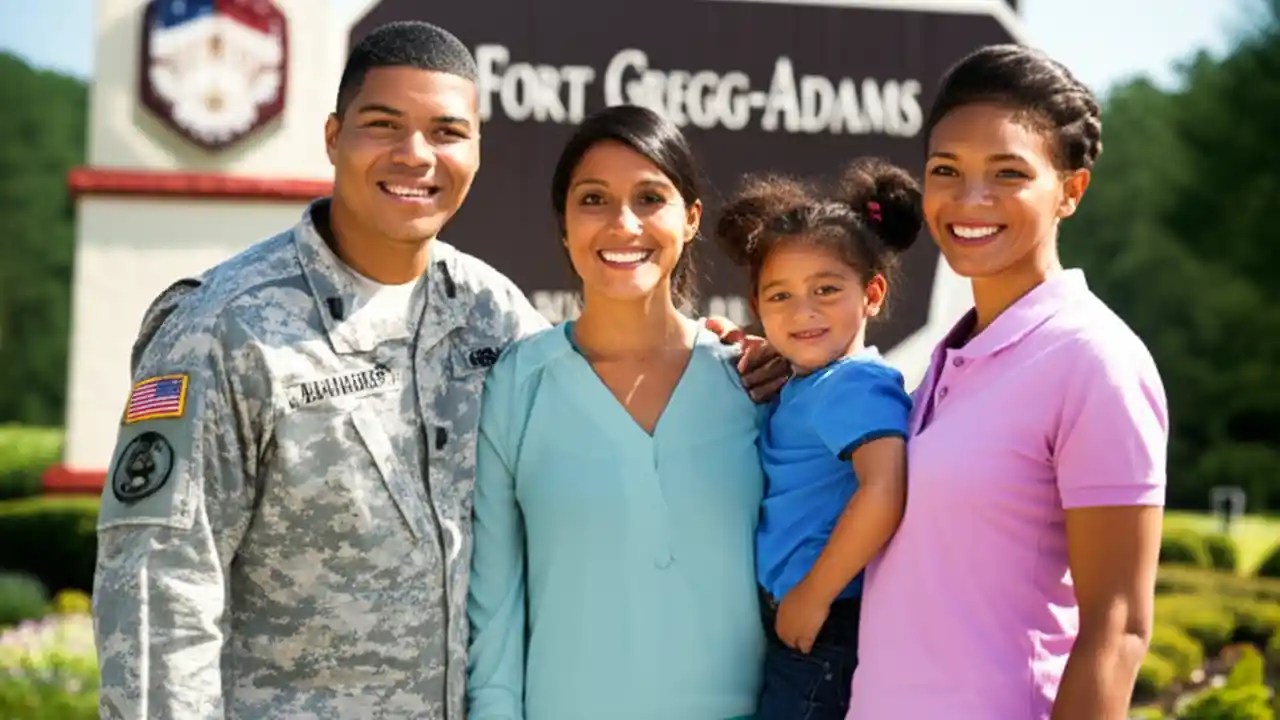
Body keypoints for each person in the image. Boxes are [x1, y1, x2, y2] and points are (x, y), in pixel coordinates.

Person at [91, 22, 778, 719]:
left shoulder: (490, 311)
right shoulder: (221, 328)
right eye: (384, 125)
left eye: (447, 131)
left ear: (477, 150)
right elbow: (157, 592)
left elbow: (606, 383)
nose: (415, 155)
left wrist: (725, 353)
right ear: (333, 136)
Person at [847, 44, 1168, 720]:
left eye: (1008, 172)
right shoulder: (947, 358)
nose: (970, 200)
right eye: (946, 170)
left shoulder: (1093, 359)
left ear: (1070, 191)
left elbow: (1119, 627)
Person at [465, 104, 767, 720]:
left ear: (690, 220)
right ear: (565, 225)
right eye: (594, 199)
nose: (622, 223)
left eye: (650, 197)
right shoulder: (518, 385)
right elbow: (494, 614)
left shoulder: (751, 381)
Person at [713, 158, 916, 720]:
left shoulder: (854, 385)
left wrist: (814, 595)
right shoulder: (812, 380)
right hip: (800, 622)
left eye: (826, 290)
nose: (803, 312)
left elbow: (884, 489)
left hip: (826, 626)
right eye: (779, 297)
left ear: (871, 293)